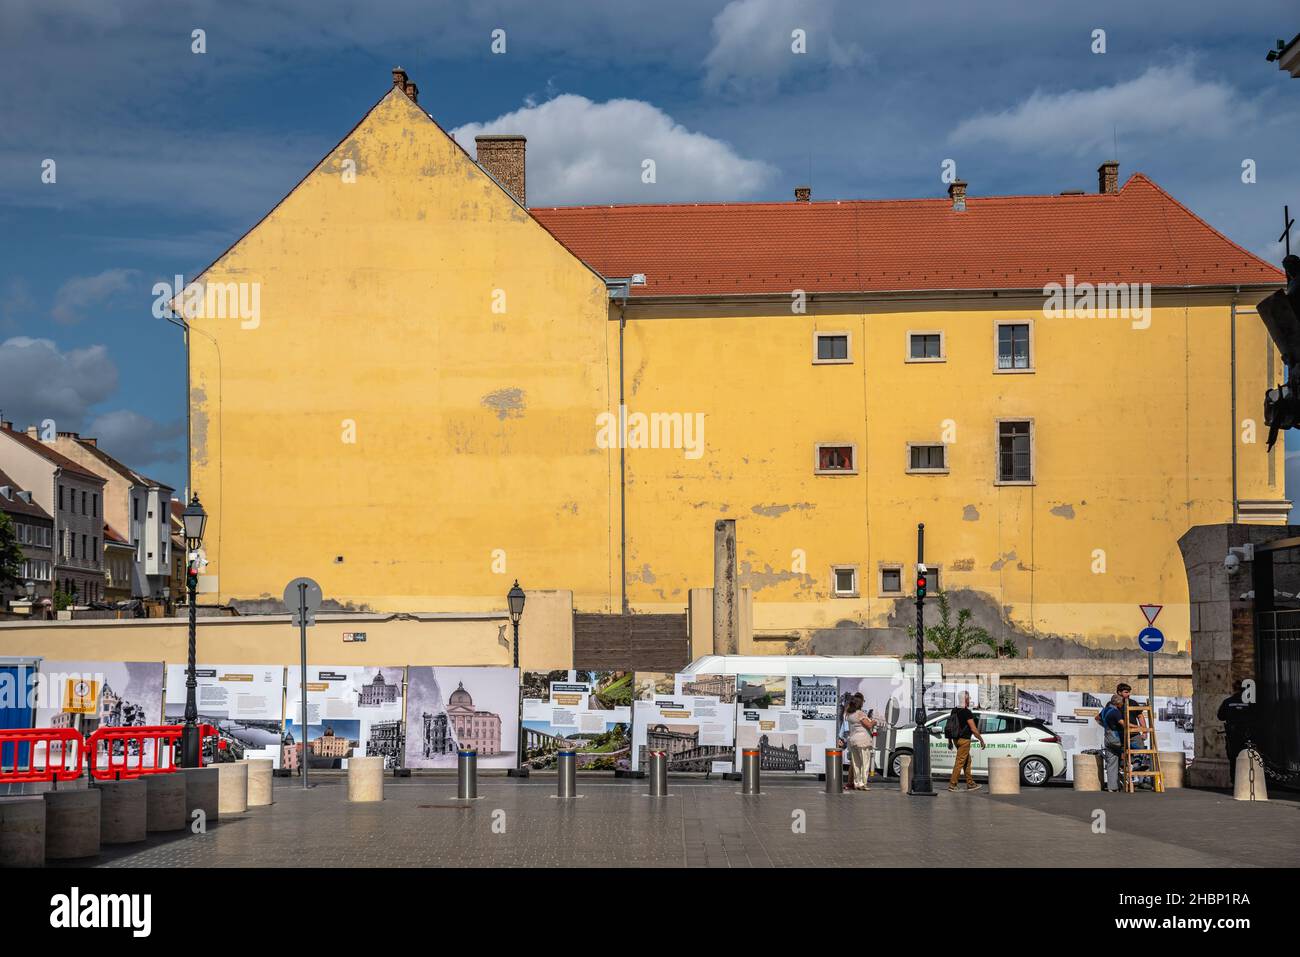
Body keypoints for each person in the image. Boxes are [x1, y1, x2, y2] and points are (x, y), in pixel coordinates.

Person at [1217, 680, 1257, 784]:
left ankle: (1234, 781)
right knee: (1247, 757)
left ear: (1233, 689)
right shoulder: (1249, 703)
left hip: (1232, 734)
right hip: (1246, 735)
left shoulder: (1227, 702)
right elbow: (1254, 717)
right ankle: (1246, 780)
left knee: (1233, 758)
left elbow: (1220, 716)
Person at [946, 691, 985, 791]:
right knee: (959, 762)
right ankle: (952, 785)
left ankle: (970, 783)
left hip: (955, 739)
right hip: (964, 741)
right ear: (965, 700)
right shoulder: (967, 712)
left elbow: (950, 726)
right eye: (969, 699)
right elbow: (973, 729)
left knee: (967, 761)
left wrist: (950, 741)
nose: (970, 700)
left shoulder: (954, 710)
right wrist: (981, 740)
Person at [1116, 683, 1152, 790]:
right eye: (1126, 692)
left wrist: (1144, 731)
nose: (1128, 694)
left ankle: (1141, 781)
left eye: (1129, 692)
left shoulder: (1133, 703)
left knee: (1140, 754)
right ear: (1119, 692)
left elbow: (1140, 716)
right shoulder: (1115, 704)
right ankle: (1125, 782)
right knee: (1123, 758)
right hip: (1121, 735)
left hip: (1135, 735)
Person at [843, 693, 876, 791]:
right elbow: (869, 725)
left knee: (856, 763)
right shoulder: (860, 713)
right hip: (863, 741)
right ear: (860, 704)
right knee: (865, 763)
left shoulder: (849, 714)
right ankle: (863, 783)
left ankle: (856, 782)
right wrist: (874, 722)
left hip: (853, 740)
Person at [1098, 693, 1125, 792]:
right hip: (1115, 738)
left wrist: (1105, 726)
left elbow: (1097, 718)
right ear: (1118, 703)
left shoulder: (1105, 710)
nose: (1123, 703)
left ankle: (1112, 787)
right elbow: (1123, 724)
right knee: (1127, 755)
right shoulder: (1115, 712)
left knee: (1111, 762)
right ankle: (1126, 781)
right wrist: (1134, 727)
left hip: (1107, 737)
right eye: (1122, 702)